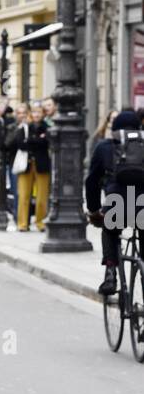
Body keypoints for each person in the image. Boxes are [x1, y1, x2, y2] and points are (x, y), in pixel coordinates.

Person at [85, 109, 143, 294]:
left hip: (117, 203)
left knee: (110, 230)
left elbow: (92, 181)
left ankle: (110, 272)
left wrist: (94, 211)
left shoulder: (104, 146)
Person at [13, 102, 50, 232]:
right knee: (23, 195)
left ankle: (40, 222)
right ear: (30, 114)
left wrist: (31, 140)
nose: (36, 115)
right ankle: (22, 223)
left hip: (42, 165)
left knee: (42, 197)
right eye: (34, 112)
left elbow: (47, 143)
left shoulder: (47, 128)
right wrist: (38, 140)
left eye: (39, 112)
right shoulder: (25, 128)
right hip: (26, 165)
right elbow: (20, 144)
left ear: (43, 114)